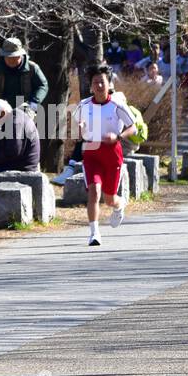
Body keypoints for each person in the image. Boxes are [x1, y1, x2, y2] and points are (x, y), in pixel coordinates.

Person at [75, 64, 137, 246]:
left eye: (102, 82)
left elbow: (132, 127)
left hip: (112, 153)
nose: (99, 86)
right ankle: (94, 233)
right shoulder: (83, 105)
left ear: (109, 84)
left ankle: (119, 205)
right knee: (94, 191)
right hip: (92, 151)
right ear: (91, 86)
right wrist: (79, 130)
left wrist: (118, 136)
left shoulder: (117, 104)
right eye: (95, 83)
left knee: (109, 199)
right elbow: (78, 128)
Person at [0, 37, 48, 113]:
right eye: (8, 57)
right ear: (3, 56)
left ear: (21, 55)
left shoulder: (32, 68)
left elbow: (43, 85)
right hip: (0, 110)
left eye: (15, 57)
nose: (11, 60)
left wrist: (34, 102)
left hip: (25, 110)